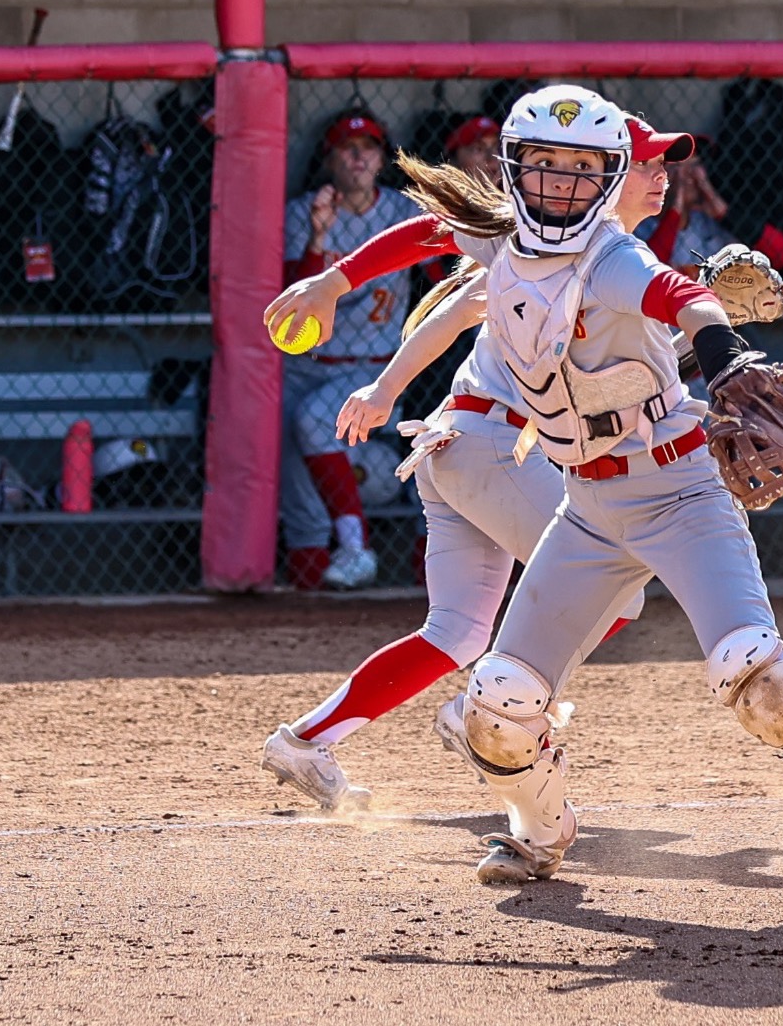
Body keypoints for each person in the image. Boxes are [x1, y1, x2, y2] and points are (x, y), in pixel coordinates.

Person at [273, 84, 783, 885]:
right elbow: (428, 231)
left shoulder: (617, 256)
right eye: (544, 168)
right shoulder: (508, 241)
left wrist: (726, 354)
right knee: (498, 704)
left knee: (760, 675)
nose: (562, 187)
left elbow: (676, 297)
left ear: (608, 176)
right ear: (513, 171)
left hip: (678, 493)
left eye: (585, 171)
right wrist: (332, 282)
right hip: (584, 505)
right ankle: (539, 835)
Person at [258, 115, 691, 812]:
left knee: (456, 631)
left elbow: (479, 309)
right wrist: (340, 295)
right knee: (620, 591)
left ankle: (306, 742)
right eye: (647, 164)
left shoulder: (606, 258)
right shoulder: (554, 241)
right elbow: (437, 237)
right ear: (607, 176)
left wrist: (707, 329)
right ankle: (482, 713)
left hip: (466, 444)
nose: (662, 177)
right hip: (492, 442)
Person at [277, 110, 411, 590]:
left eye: (369, 147)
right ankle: (311, 610)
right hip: (308, 367)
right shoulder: (304, 211)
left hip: (372, 370)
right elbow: (294, 301)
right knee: (300, 496)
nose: (358, 156)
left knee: (315, 420)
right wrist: (317, 234)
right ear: (330, 159)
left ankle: (357, 547)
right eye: (346, 148)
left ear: (382, 159)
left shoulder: (402, 210)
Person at [640, 140, 783, 274]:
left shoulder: (711, 221)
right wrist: (675, 206)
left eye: (694, 165)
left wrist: (723, 212)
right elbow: (646, 272)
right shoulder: (640, 223)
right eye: (678, 167)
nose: (689, 175)